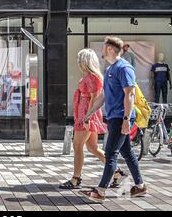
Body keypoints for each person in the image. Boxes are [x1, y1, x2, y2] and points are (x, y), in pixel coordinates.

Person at [81, 36, 147, 201]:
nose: (102, 49)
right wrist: (90, 113)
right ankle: (140, 186)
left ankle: (100, 191)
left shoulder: (124, 68)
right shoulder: (110, 69)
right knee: (127, 152)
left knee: (110, 153)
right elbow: (103, 95)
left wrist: (126, 119)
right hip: (113, 117)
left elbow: (129, 94)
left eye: (104, 46)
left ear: (110, 49)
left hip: (121, 117)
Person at [59, 49, 126, 189]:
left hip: (86, 115)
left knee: (77, 146)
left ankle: (75, 179)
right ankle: (117, 173)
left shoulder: (93, 77)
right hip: (85, 114)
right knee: (92, 147)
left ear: (85, 61)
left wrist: (87, 118)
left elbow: (95, 99)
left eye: (79, 59)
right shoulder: (91, 76)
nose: (77, 62)